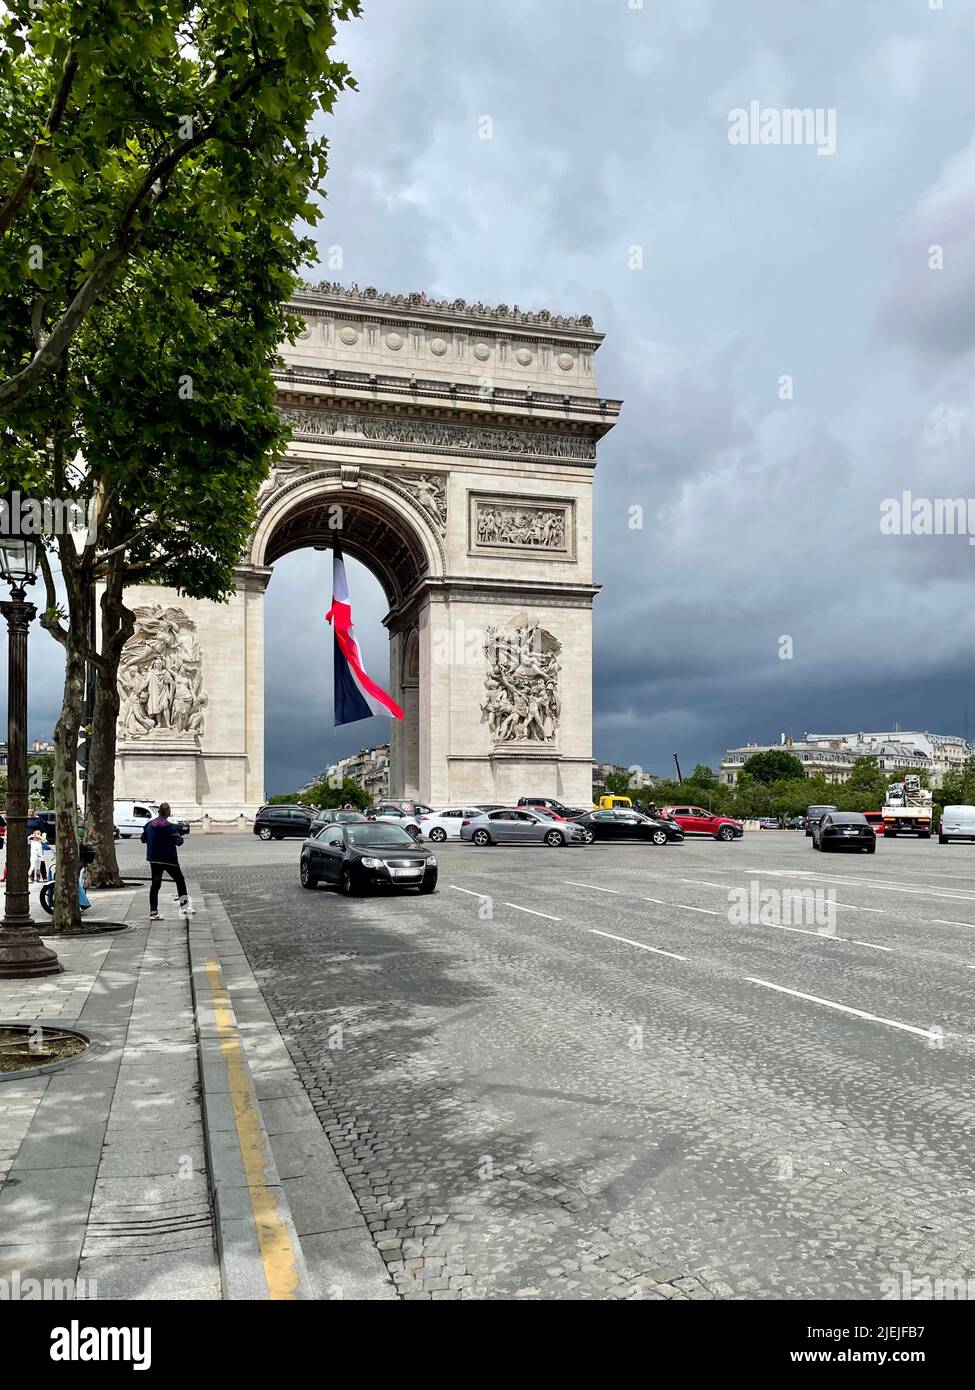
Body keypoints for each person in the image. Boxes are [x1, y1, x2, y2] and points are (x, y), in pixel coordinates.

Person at [141, 802, 192, 920]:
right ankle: (184, 906)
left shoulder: (149, 825)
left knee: (155, 884)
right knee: (180, 880)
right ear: (168, 812)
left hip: (154, 858)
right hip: (169, 859)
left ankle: (153, 911)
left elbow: (143, 839)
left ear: (159, 812)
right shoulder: (169, 826)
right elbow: (179, 841)